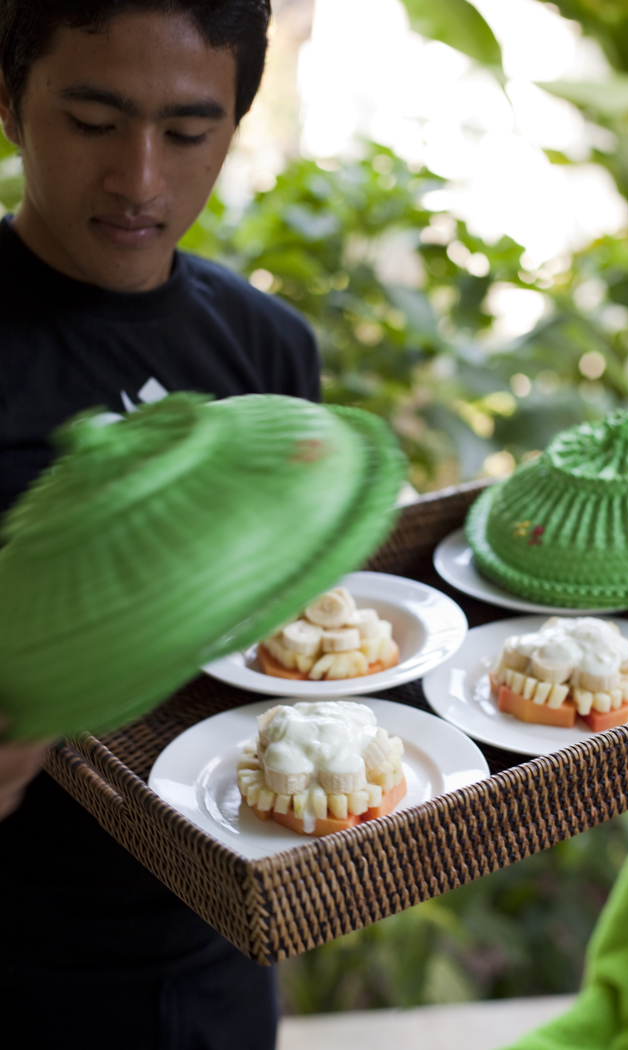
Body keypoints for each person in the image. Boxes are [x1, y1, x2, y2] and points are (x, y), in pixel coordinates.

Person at [0, 2, 320, 1047]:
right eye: (92, 121)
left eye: (187, 133)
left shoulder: (269, 357)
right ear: (9, 104)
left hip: (217, 962)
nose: (140, 179)